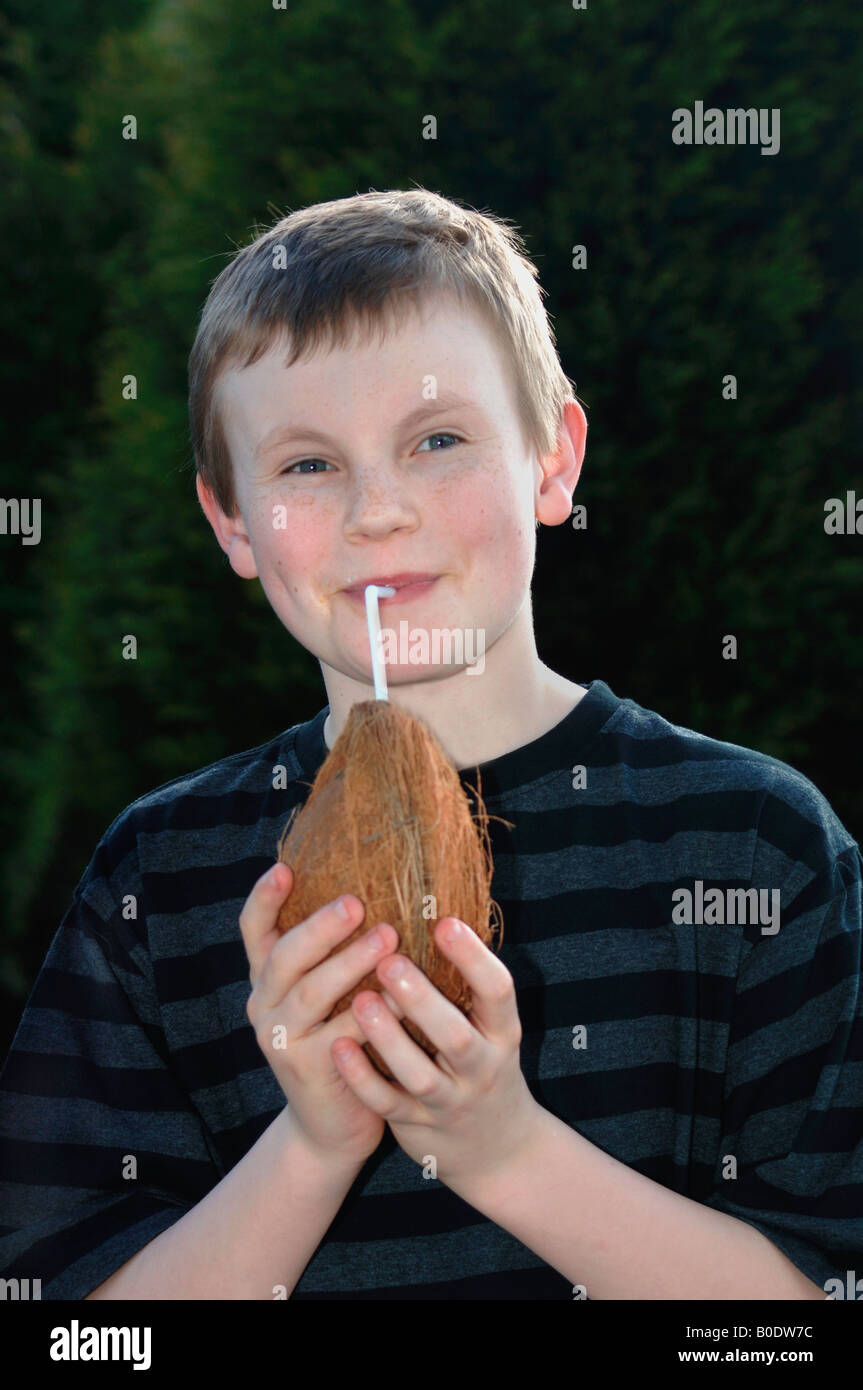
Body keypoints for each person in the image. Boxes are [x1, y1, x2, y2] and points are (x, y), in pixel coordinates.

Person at [1, 188, 860, 1300]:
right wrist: (311, 1145)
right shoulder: (156, 880)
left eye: (437, 439)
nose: (376, 509)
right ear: (231, 522)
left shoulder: (755, 845)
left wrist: (500, 1148)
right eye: (307, 464)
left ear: (552, 461)